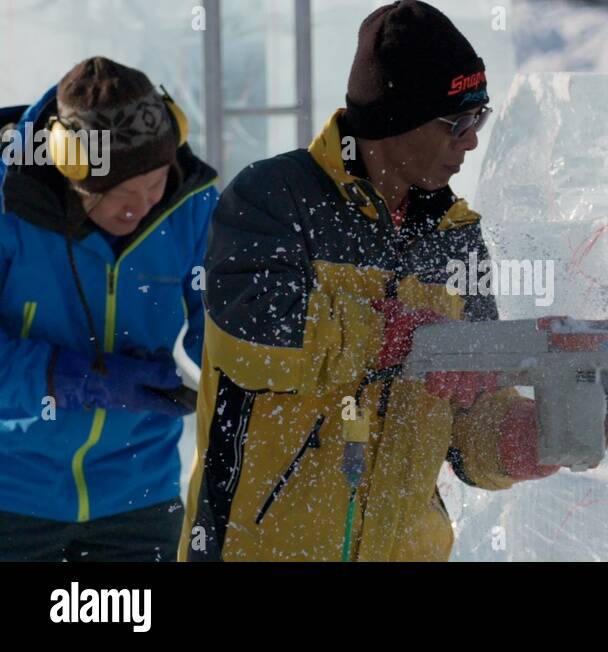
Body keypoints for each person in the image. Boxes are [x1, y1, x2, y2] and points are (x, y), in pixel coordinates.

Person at [181, 0, 561, 562]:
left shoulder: (456, 238)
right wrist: (396, 338)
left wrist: (512, 440)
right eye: (458, 122)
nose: (472, 140)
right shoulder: (278, 198)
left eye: (479, 118)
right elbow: (252, 339)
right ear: (396, 120)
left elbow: (467, 412)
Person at [0, 57, 219, 561]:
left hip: (141, 496)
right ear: (70, 167)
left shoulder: (193, 206)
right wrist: (73, 378)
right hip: (14, 495)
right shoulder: (10, 213)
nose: (142, 207)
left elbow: (224, 318)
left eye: (155, 184)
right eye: (121, 194)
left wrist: (202, 367)